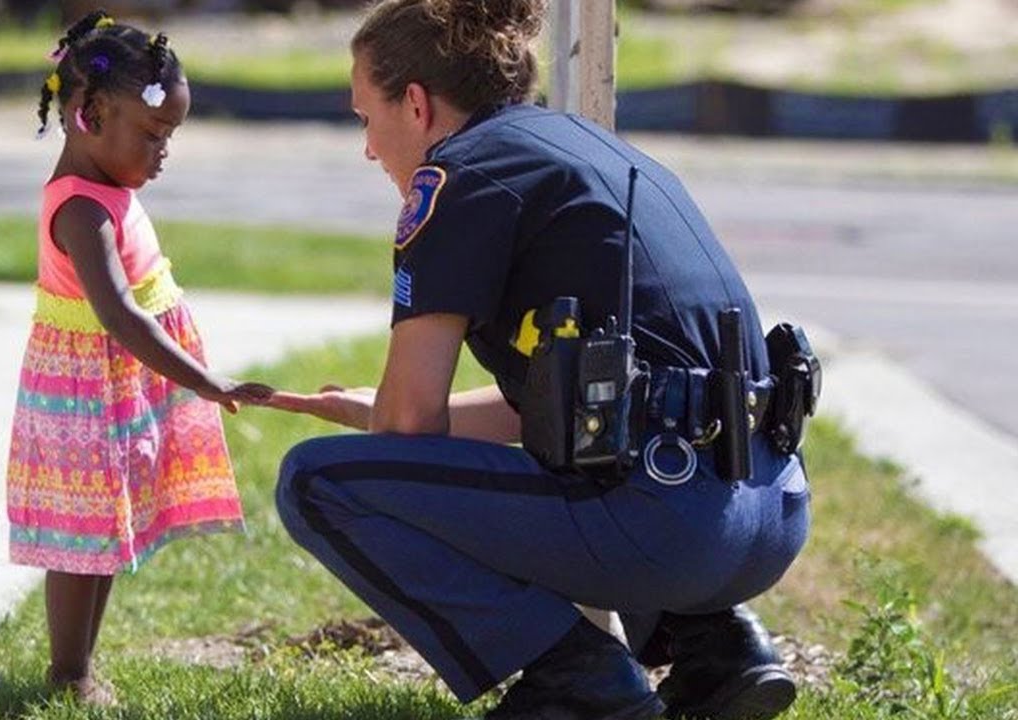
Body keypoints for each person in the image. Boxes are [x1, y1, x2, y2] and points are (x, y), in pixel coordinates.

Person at [267, 1, 812, 719]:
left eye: (366, 118)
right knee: (587, 453)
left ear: (418, 105)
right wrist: (374, 407)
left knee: (318, 482)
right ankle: (717, 647)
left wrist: (387, 425)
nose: (369, 148)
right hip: (769, 513)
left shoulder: (458, 176)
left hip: (669, 525)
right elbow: (569, 406)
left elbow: (406, 428)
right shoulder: (580, 146)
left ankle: (577, 680)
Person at [5, 10, 271, 704]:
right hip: (84, 391)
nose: (163, 151)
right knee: (80, 541)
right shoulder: (81, 211)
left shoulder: (109, 191)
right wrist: (204, 380)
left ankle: (80, 668)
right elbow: (119, 313)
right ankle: (68, 673)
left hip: (114, 385)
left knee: (102, 532)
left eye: (169, 137)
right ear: (91, 113)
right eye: (153, 133)